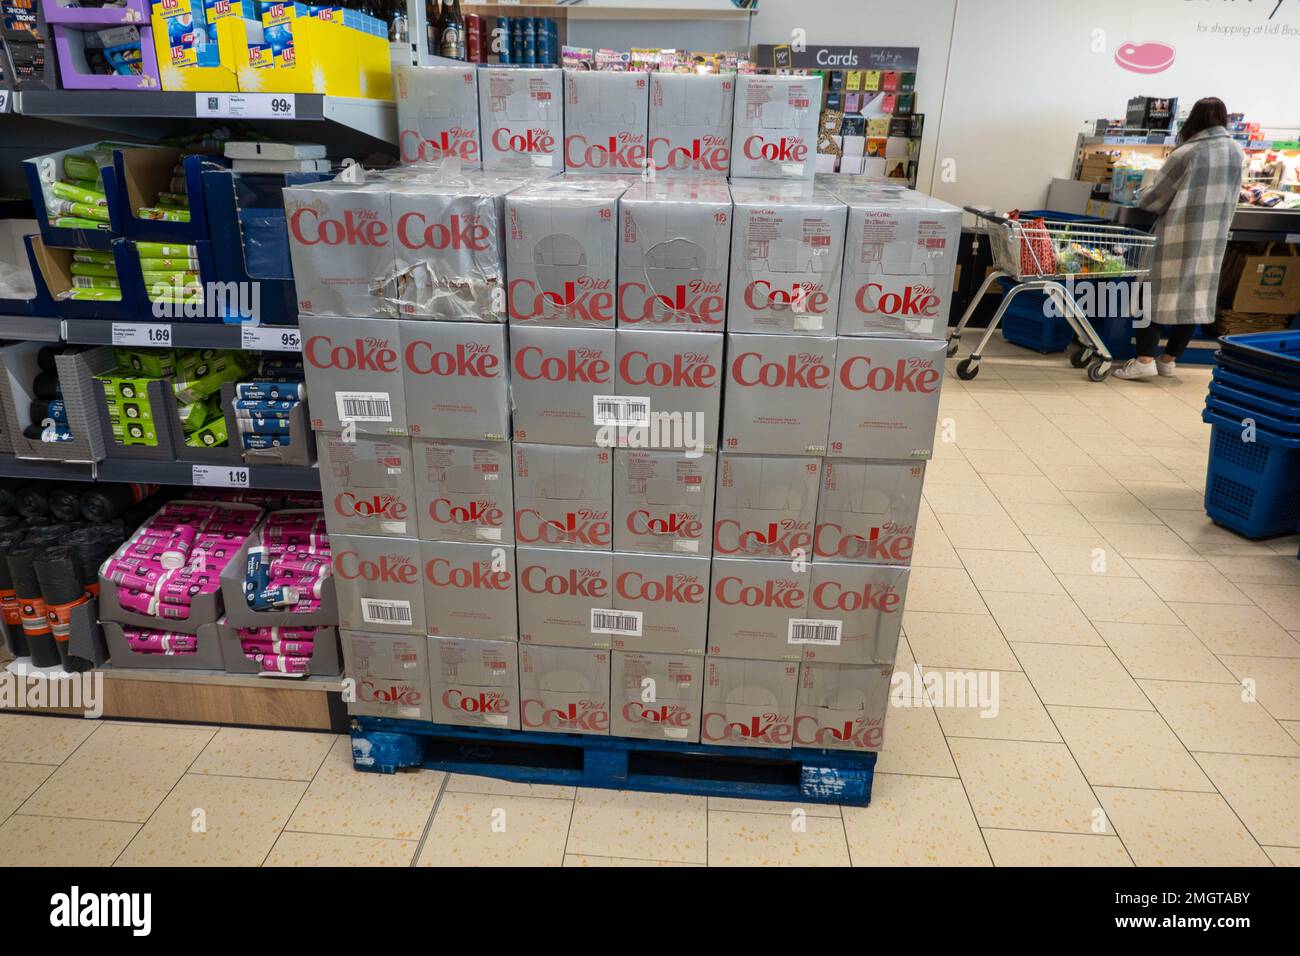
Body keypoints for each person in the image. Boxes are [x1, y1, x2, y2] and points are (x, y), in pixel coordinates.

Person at [1114, 97, 1245, 380]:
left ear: (1193, 121)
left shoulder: (1186, 153)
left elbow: (1153, 200)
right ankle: (1169, 360)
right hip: (1212, 239)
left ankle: (1144, 360)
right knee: (1192, 299)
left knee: (1151, 296)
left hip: (1176, 237)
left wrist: (1142, 190)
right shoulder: (1237, 152)